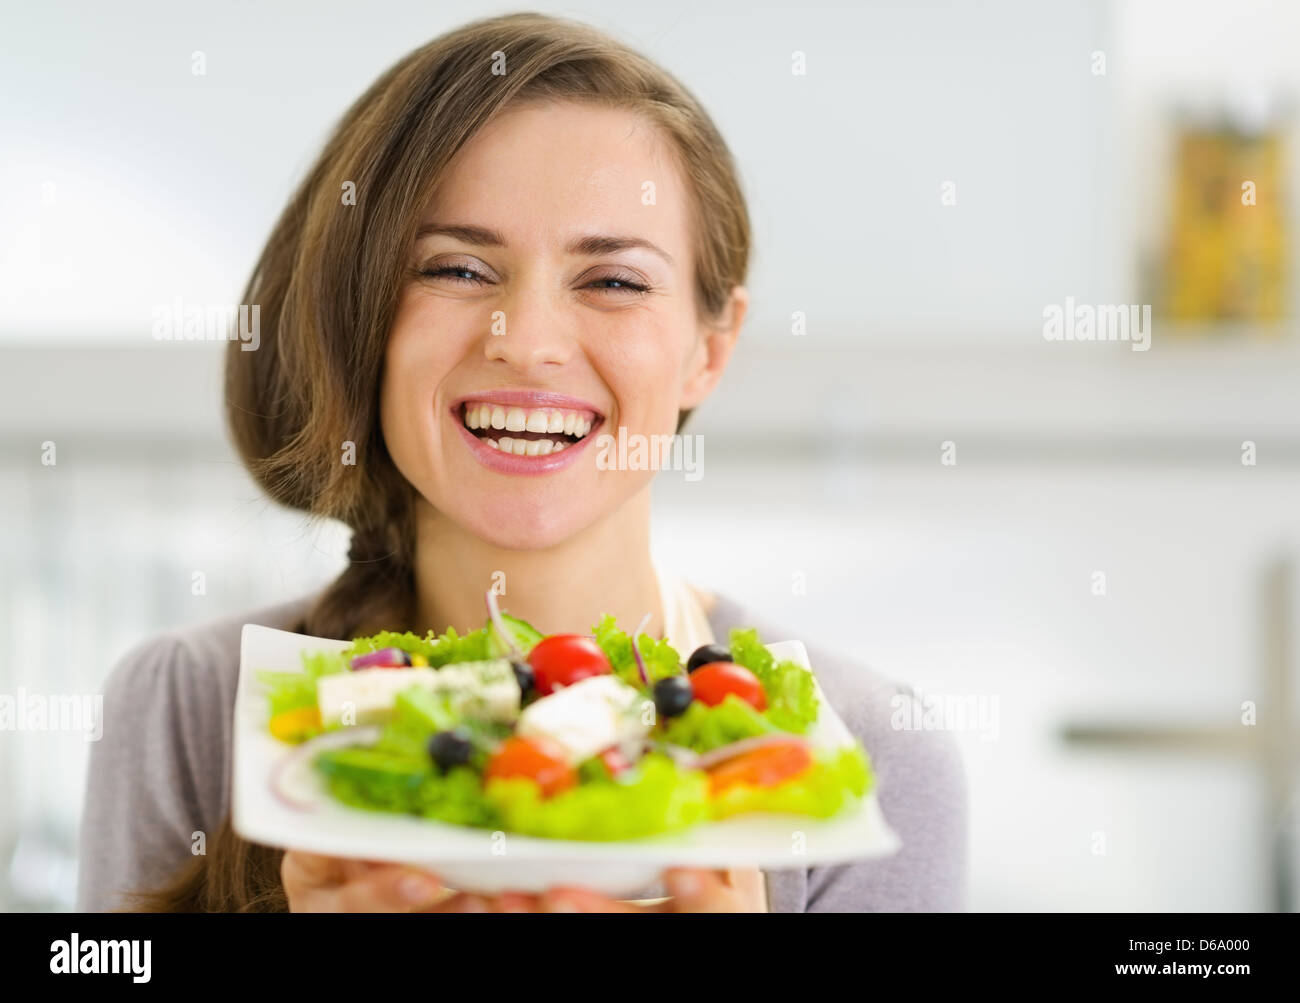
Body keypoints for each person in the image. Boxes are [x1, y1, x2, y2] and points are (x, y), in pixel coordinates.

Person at [76, 11, 967, 913]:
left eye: (614, 281)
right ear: (362, 319)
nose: (529, 342)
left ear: (710, 345)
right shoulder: (189, 707)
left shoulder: (870, 753)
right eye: (457, 269)